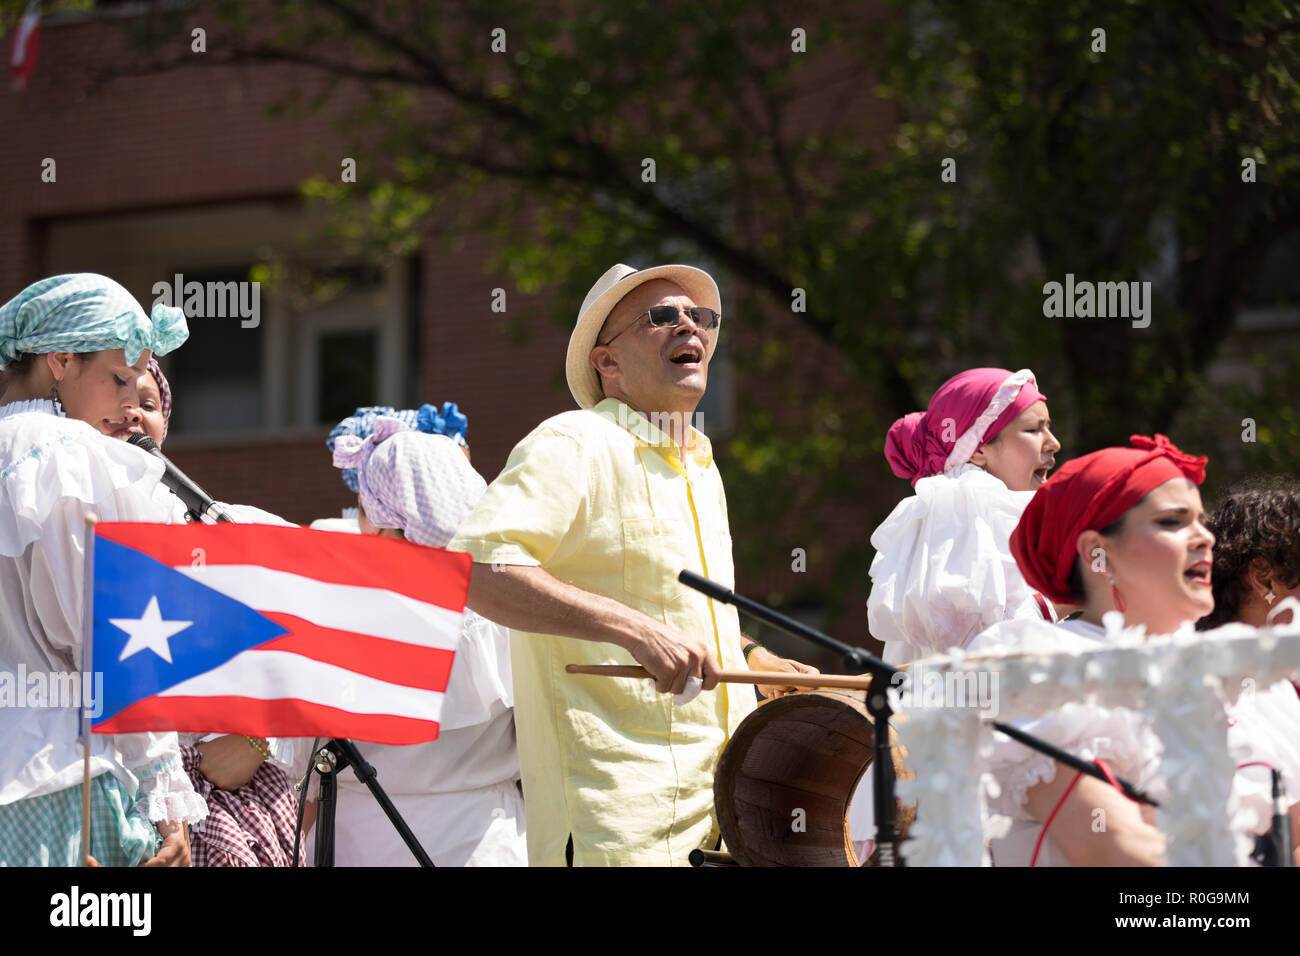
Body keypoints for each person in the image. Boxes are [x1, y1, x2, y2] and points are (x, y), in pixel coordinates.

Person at [449, 263, 816, 866]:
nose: (689, 328)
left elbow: (681, 615)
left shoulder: (700, 466)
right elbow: (474, 568)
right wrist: (633, 629)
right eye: (661, 317)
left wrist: (753, 658)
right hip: (616, 828)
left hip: (721, 819)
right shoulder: (572, 442)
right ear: (607, 363)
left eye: (700, 318)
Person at [969, 435, 1300, 866]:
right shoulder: (1043, 663)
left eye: (1200, 520)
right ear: (1097, 552)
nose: (1204, 538)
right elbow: (1114, 848)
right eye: (1172, 521)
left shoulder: (1240, 680)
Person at [0, 273, 205, 865]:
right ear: (60, 359)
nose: (127, 401)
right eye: (118, 378)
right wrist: (168, 799)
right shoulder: (66, 452)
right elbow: (109, 639)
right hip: (55, 784)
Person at [329, 415, 526, 865]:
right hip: (487, 839)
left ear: (380, 517)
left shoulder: (341, 613)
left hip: (362, 838)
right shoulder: (508, 609)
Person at [868, 368, 1062, 667]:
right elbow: (971, 656)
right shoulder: (960, 513)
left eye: (1048, 427)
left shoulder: (999, 513)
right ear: (979, 450)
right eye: (1034, 430)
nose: (1053, 443)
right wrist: (1066, 602)